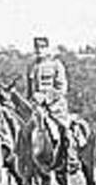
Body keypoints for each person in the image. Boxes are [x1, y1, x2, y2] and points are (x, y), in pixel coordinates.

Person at [27, 36, 80, 174]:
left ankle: (71, 159)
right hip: (36, 107)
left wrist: (46, 98)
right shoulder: (32, 66)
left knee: (64, 129)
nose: (39, 51)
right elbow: (30, 90)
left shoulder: (56, 65)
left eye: (42, 48)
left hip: (55, 107)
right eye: (37, 48)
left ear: (48, 49)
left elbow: (61, 88)